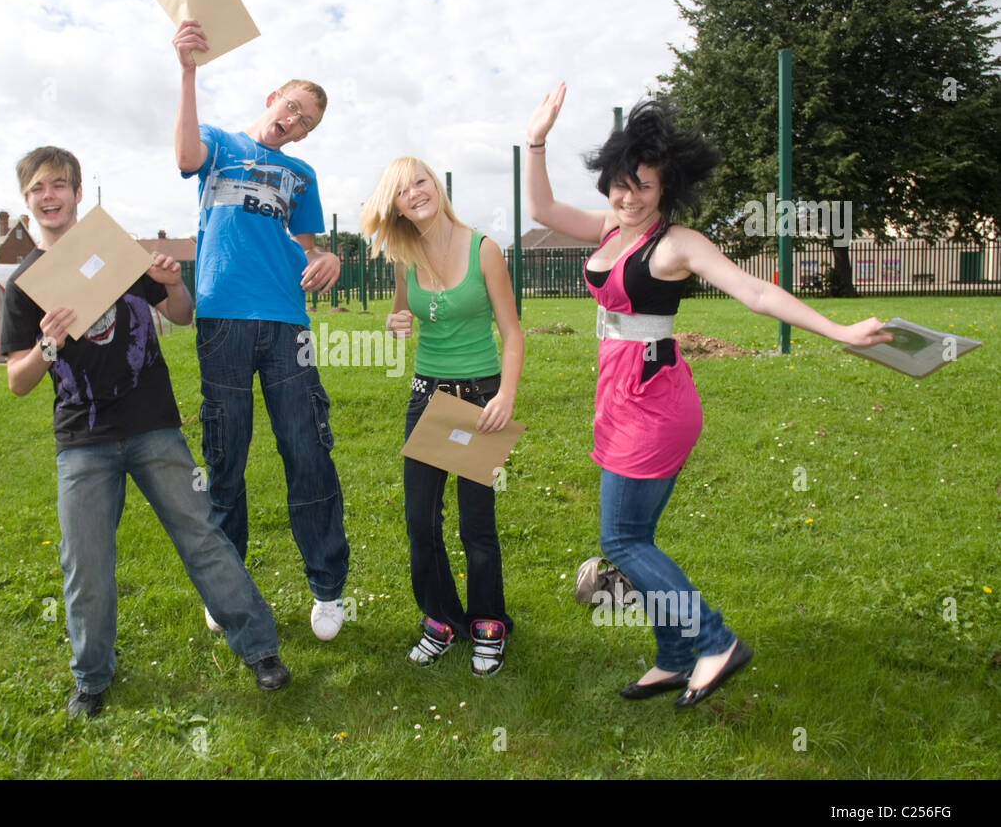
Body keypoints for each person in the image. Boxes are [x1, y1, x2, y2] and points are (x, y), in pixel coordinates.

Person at [525, 86, 892, 707]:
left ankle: (714, 641)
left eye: (642, 185)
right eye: (619, 183)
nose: (627, 196)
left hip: (656, 403)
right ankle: (672, 657)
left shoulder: (677, 244)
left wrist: (839, 330)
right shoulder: (610, 226)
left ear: (665, 188)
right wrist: (537, 138)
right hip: (618, 396)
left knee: (621, 542)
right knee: (635, 534)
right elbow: (539, 207)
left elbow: (757, 294)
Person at [0, 146, 291, 718]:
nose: (50, 197)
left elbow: (182, 313)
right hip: (82, 441)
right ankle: (91, 678)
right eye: (38, 189)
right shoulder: (25, 282)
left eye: (60, 185)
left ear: (78, 193)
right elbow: (16, 379)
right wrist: (47, 344)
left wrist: (174, 281)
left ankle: (260, 649)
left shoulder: (117, 253)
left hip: (153, 426)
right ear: (27, 200)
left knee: (203, 536)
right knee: (85, 562)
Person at [172, 19, 350, 641]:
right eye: (293, 108)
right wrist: (190, 68)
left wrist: (328, 259)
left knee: (306, 450)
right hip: (222, 321)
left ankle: (328, 588)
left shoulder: (300, 175)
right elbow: (183, 156)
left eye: (305, 123)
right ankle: (227, 588)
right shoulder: (218, 143)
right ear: (274, 96)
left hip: (286, 324)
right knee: (226, 456)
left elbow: (311, 249)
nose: (294, 123)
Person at [361, 157, 524, 676]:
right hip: (427, 396)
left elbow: (513, 334)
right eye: (403, 192)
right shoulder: (404, 257)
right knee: (420, 521)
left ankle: (488, 623)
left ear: (436, 186)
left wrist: (506, 396)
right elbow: (401, 319)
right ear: (397, 208)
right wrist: (395, 324)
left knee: (477, 524)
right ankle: (441, 619)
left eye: (421, 182)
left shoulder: (484, 250)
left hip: (479, 397)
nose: (415, 193)